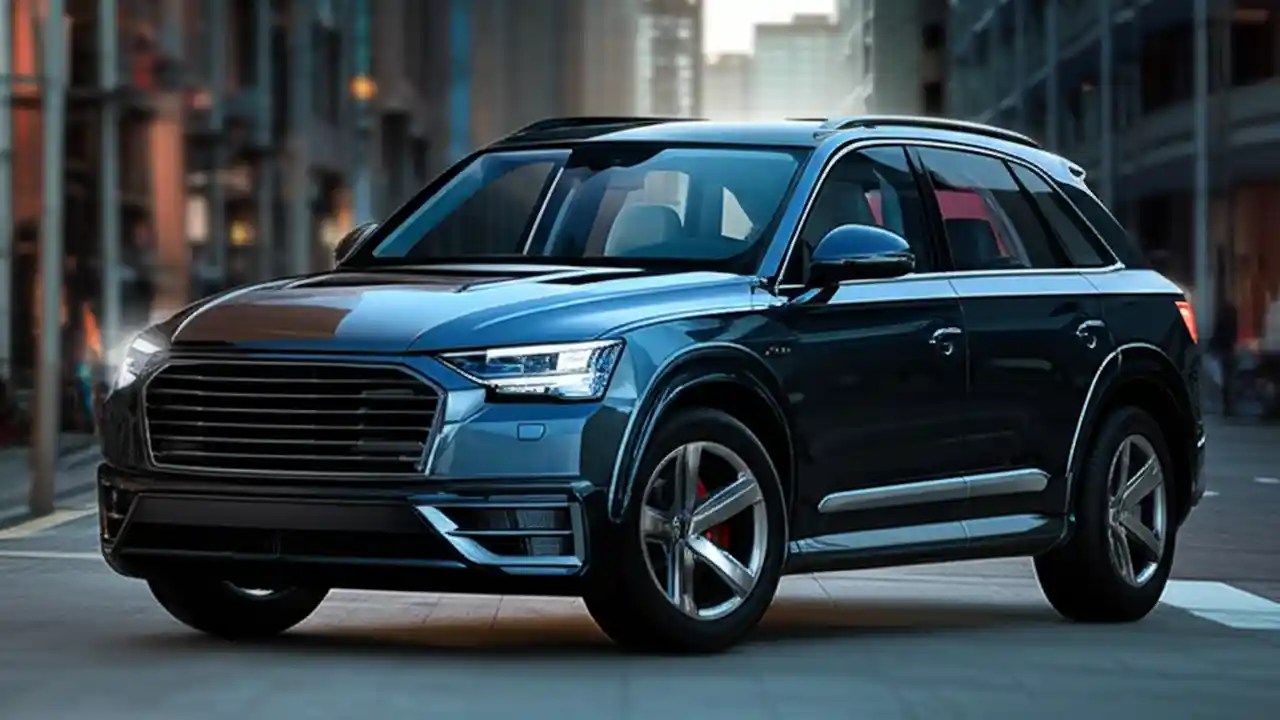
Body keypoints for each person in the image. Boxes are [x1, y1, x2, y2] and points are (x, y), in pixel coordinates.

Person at [1209, 299, 1239, 416]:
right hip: (1227, 349)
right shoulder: (1231, 319)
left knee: (1226, 379)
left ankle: (1228, 406)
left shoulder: (1222, 318)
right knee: (1229, 379)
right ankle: (1229, 406)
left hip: (1223, 349)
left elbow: (1217, 333)